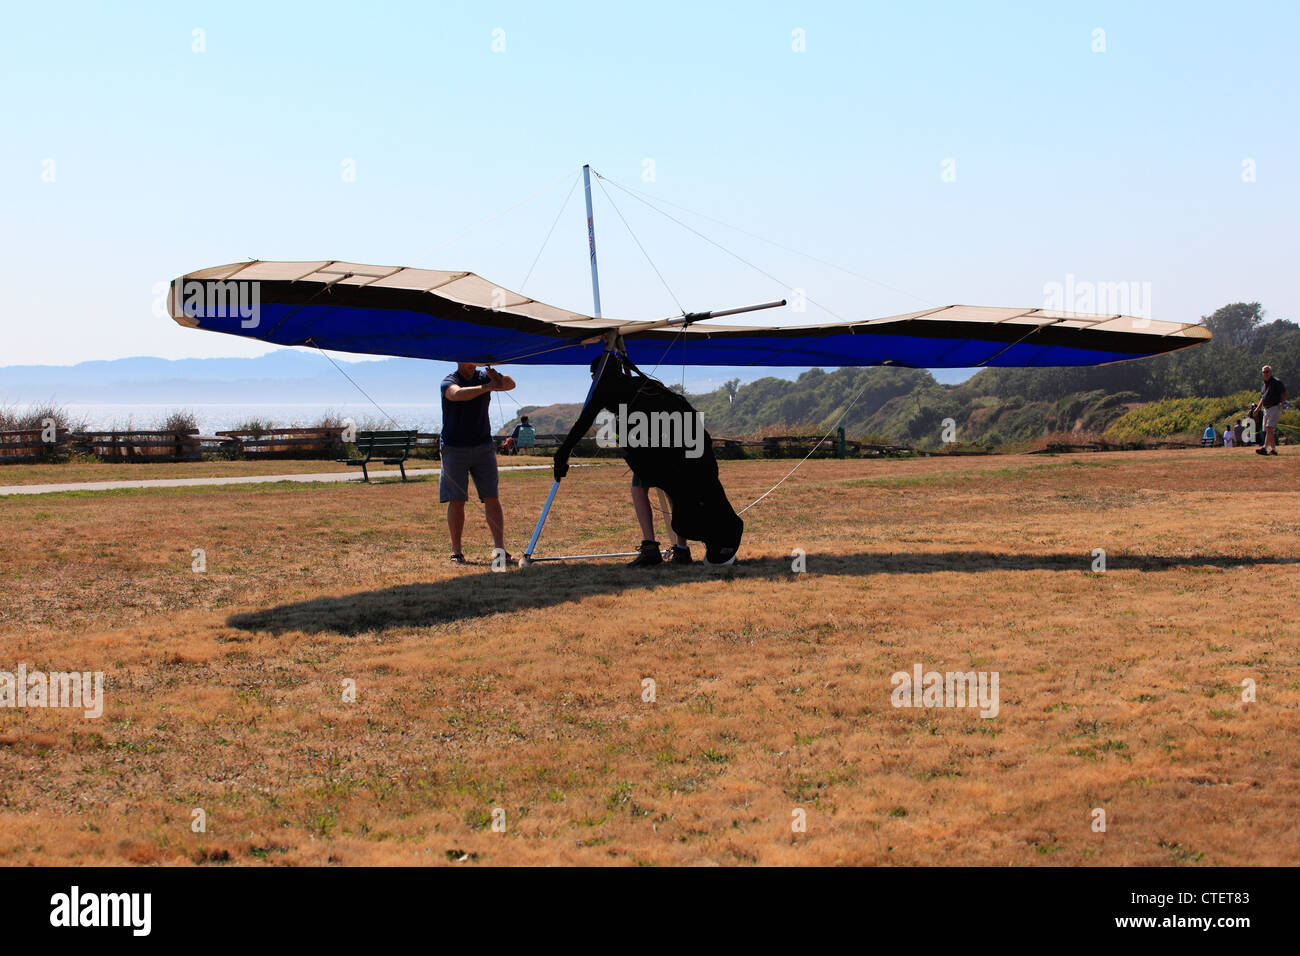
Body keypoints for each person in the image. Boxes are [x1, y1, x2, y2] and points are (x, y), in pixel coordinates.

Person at [553, 353, 743, 566]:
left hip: (664, 448)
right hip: (686, 445)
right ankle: (682, 548)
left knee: (641, 488)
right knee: (677, 490)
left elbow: (583, 422)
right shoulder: (646, 383)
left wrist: (562, 454)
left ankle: (652, 547)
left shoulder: (607, 388)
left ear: (596, 376)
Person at [440, 362, 516, 562]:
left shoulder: (484, 377)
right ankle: (456, 552)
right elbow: (456, 394)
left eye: (474, 360)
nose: (472, 364)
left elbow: (511, 384)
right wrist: (488, 387)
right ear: (459, 361)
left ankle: (500, 549)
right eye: (468, 360)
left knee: (492, 496)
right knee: (456, 499)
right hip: (454, 448)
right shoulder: (449, 381)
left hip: (483, 446)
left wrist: (497, 378)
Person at [1255, 365, 1287, 456]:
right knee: (1268, 430)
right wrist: (1257, 408)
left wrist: (1281, 403)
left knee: (1269, 428)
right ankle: (1273, 450)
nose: (1265, 374)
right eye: (1264, 372)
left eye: (1267, 372)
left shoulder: (1276, 382)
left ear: (1271, 372)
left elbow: (1285, 393)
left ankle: (1264, 448)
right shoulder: (1264, 384)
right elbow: (1263, 397)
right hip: (1266, 409)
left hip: (1274, 407)